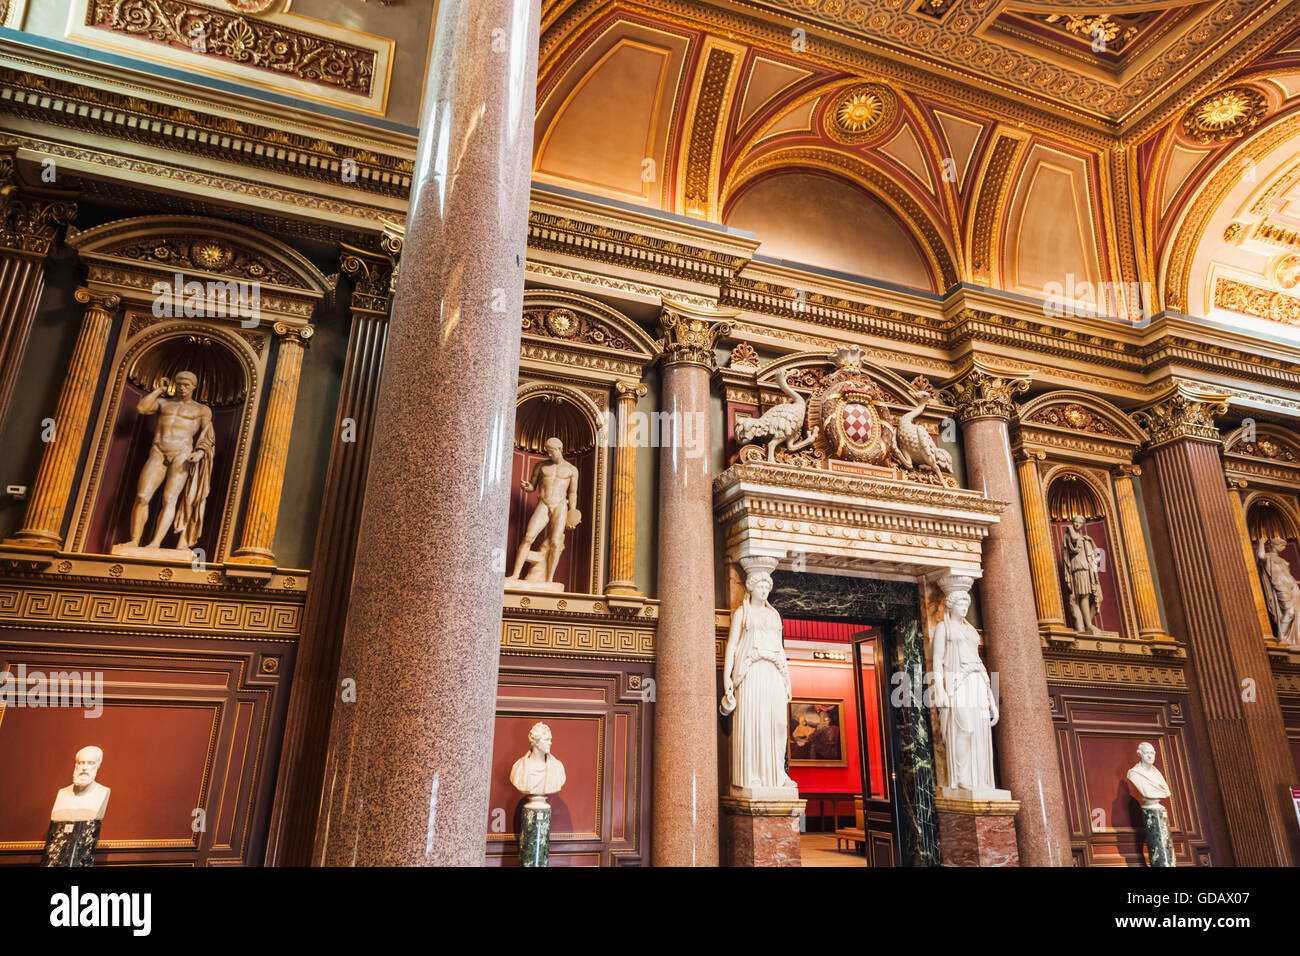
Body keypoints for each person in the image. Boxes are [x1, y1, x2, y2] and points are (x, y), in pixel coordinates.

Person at [119, 371, 214, 551]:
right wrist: (158, 391)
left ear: (194, 387)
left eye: (186, 384)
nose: (182, 388)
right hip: (158, 451)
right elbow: (142, 408)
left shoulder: (201, 410)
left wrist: (200, 451)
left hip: (182, 452)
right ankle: (134, 540)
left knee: (169, 498)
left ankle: (155, 543)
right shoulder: (163, 403)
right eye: (179, 384)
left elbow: (207, 435)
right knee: (142, 496)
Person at [721, 569, 796, 792]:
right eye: (761, 587)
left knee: (778, 723)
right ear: (751, 588)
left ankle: (777, 774)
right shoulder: (742, 614)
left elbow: (780, 649)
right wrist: (727, 678)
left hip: (773, 671)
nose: (764, 591)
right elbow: (732, 646)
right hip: (751, 671)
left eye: (767, 587)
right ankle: (752, 774)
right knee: (755, 722)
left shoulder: (774, 616)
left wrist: (787, 680)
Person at [931, 585, 999, 795]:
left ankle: (978, 779)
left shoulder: (970, 630)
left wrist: (992, 700)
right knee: (965, 727)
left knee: (980, 731)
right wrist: (940, 690)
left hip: (977, 679)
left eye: (966, 603)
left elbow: (978, 660)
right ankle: (961, 777)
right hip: (957, 682)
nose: (964, 607)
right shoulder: (944, 628)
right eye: (960, 603)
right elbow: (937, 659)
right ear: (951, 606)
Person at [508, 437, 581, 585]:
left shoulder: (572, 470)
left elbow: (573, 492)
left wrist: (572, 513)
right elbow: (532, 486)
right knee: (528, 537)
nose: (549, 454)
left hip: (560, 505)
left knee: (555, 542)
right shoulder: (541, 466)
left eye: (552, 451)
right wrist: (526, 486)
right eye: (548, 451)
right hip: (544, 503)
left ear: (560, 450)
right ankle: (515, 575)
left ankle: (549, 579)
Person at [1063, 514, 1104, 634]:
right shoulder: (1069, 535)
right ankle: (1089, 625)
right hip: (1079, 569)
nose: (1076, 524)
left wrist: (1091, 540)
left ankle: (1086, 624)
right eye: (1075, 521)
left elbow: (1097, 555)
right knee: (1084, 596)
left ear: (1083, 525)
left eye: (1079, 522)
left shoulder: (1085, 538)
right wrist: (1070, 528)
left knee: (1099, 598)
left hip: (1089, 570)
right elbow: (1074, 541)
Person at [1257, 536, 1300, 646]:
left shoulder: (1282, 560)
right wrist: (1262, 543)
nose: (1284, 547)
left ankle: (1293, 640)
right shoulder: (1267, 557)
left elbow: (1288, 575)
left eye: (1285, 545)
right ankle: (1282, 638)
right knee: (1289, 612)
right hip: (1280, 587)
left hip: (1292, 587)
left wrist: (1296, 583)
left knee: (1296, 613)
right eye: (1282, 545)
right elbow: (1260, 556)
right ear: (1274, 545)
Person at [509, 722, 566, 796]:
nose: (550, 743)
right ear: (535, 742)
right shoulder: (518, 767)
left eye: (550, 739)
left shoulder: (557, 767)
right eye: (546, 740)